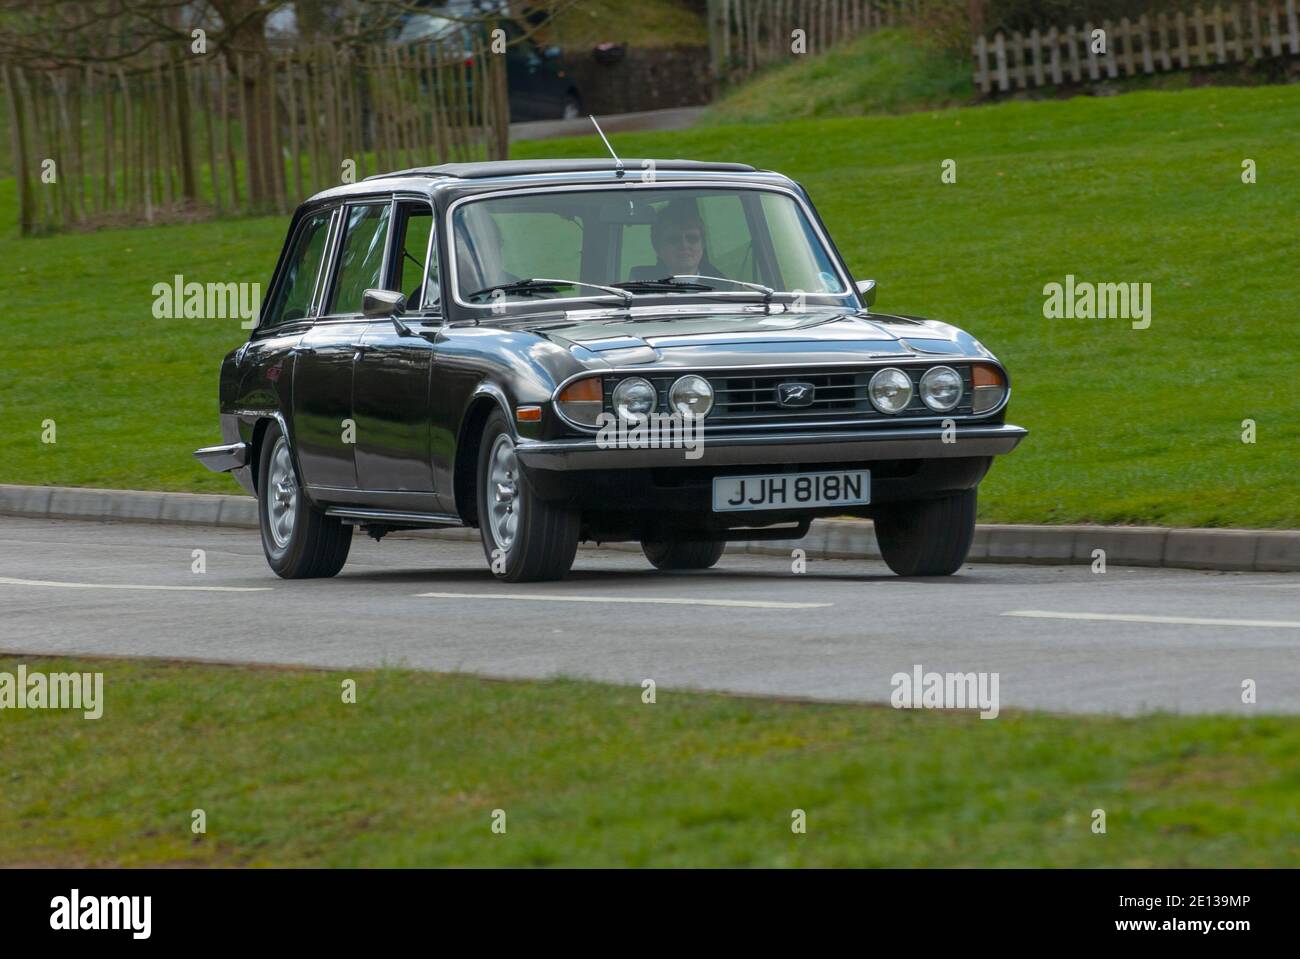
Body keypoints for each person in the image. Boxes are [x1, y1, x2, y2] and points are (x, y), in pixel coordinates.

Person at [627, 199, 725, 282]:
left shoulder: (725, 287)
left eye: (692, 238)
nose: (684, 245)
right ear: (657, 246)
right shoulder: (640, 285)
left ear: (703, 244)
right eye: (674, 239)